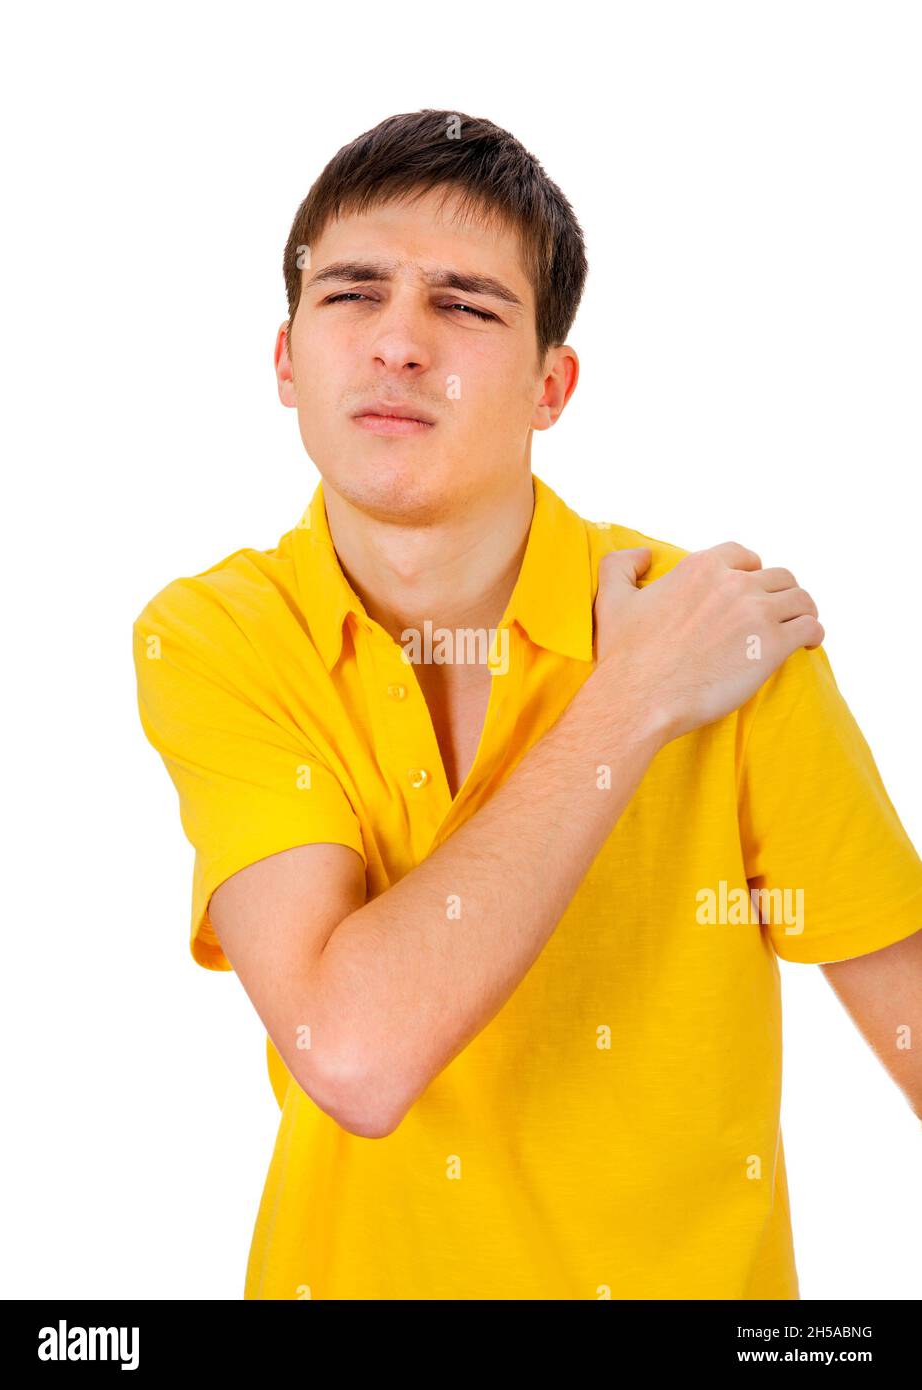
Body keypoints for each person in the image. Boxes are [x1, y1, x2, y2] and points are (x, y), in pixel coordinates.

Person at [132, 109, 922, 1300]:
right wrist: (638, 696)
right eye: (352, 293)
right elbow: (352, 1052)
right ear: (287, 359)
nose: (400, 343)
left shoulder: (724, 634)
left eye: (465, 304)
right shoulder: (219, 633)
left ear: (552, 384)